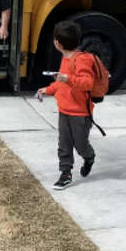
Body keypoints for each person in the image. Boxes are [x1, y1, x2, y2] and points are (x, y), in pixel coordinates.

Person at [37, 20, 97, 191]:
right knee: (64, 144)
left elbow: (87, 83)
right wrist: (48, 90)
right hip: (64, 110)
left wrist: (67, 78)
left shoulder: (81, 60)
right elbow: (61, 84)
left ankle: (89, 156)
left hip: (80, 114)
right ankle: (65, 173)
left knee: (80, 144)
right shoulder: (65, 58)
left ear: (57, 43)